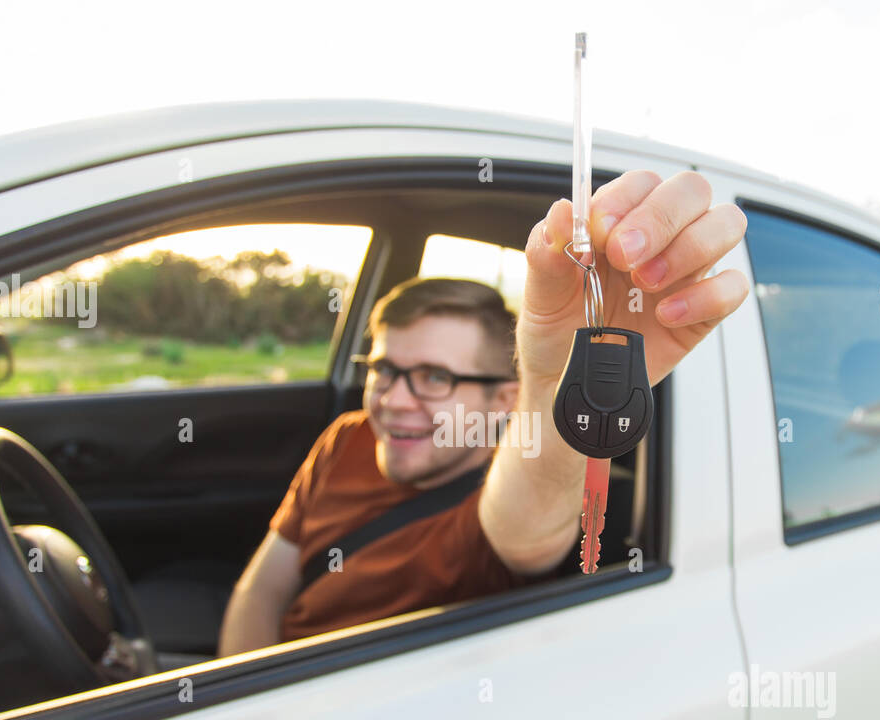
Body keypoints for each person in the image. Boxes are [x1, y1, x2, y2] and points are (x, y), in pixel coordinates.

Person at [218, 170, 749, 655]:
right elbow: (263, 589)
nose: (393, 399)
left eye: (434, 378)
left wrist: (556, 384)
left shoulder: (488, 512)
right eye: (383, 369)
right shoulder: (348, 436)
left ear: (503, 399)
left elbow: (530, 524)